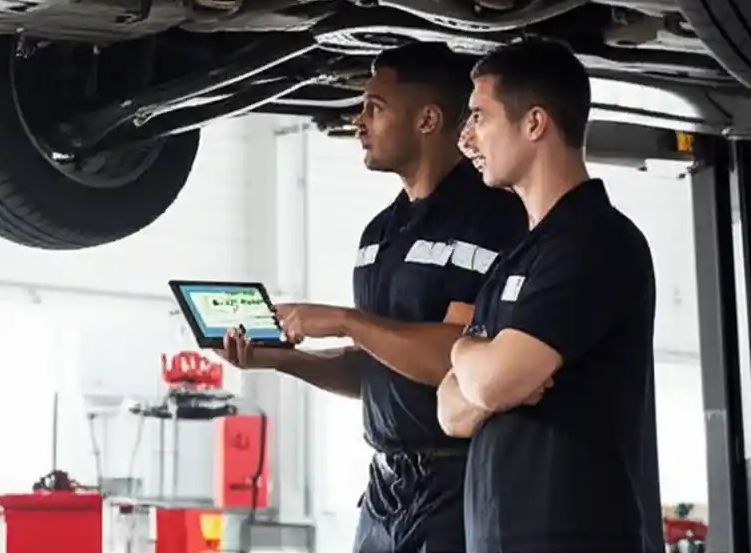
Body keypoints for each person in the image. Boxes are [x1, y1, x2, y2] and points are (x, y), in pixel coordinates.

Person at [220, 42, 528, 553]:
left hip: (460, 484)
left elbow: (457, 360)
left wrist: (344, 319)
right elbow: (376, 369)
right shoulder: (378, 236)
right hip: (386, 489)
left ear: (428, 119)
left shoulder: (491, 218)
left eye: (374, 107)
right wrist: (282, 361)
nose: (358, 121)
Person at [438, 37, 664, 552]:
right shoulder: (517, 258)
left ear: (535, 123)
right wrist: (473, 358)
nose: (466, 139)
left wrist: (476, 362)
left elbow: (493, 386)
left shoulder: (595, 241)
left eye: (478, 117)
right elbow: (449, 411)